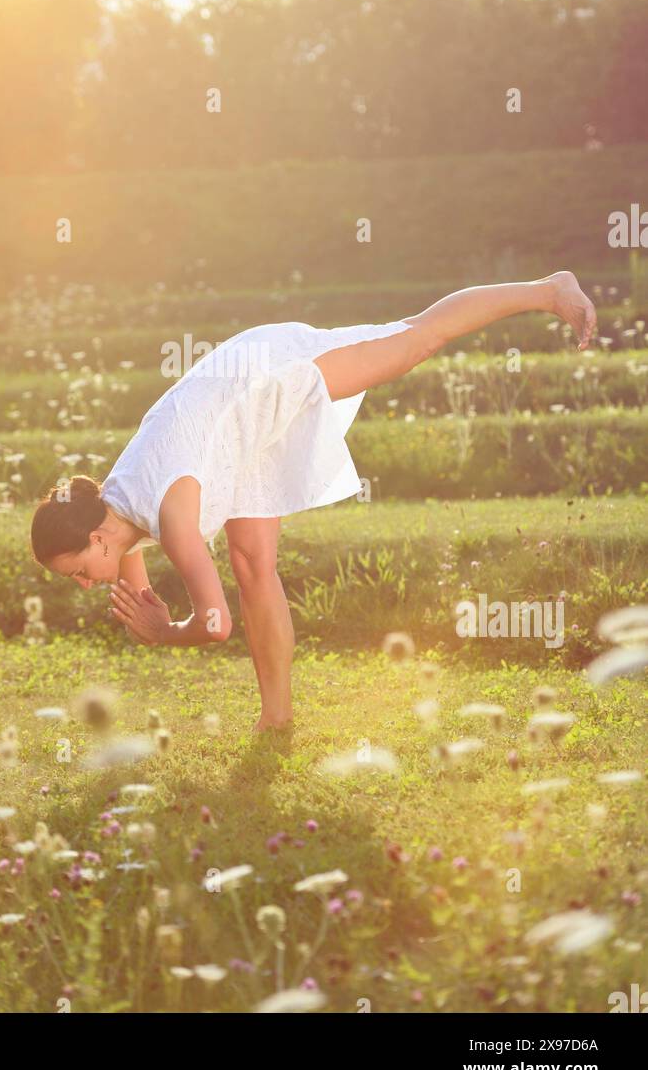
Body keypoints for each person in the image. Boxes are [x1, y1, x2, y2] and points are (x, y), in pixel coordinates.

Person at [30, 271, 595, 730]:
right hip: (232, 431)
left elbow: (213, 622)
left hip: (268, 373)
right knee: (253, 563)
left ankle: (548, 289)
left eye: (79, 571)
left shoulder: (169, 511)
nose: (84, 584)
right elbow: (139, 591)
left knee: (415, 338)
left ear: (96, 538)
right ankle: (276, 721)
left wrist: (165, 632)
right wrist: (146, 610)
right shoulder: (111, 508)